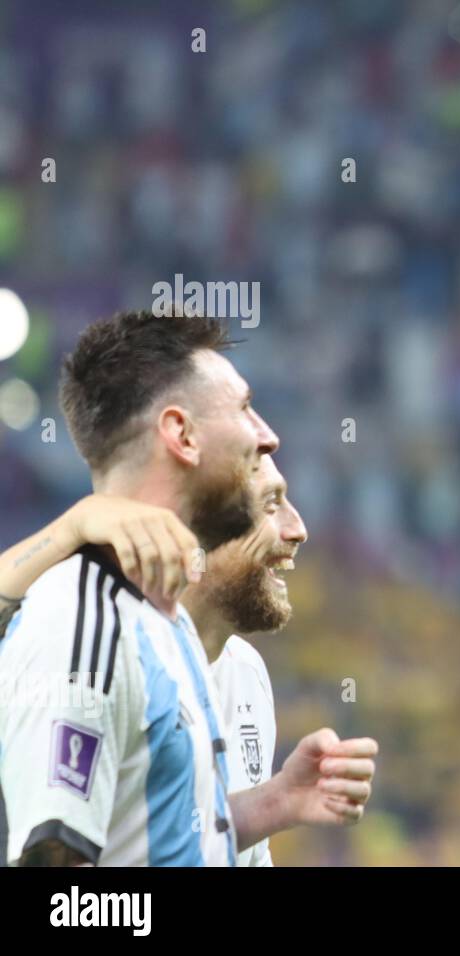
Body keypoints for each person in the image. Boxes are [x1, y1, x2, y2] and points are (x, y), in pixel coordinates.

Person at [0, 310, 370, 865]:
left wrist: (274, 803)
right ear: (182, 435)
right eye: (243, 408)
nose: (266, 435)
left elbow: (154, 842)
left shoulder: (172, 630)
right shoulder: (83, 618)